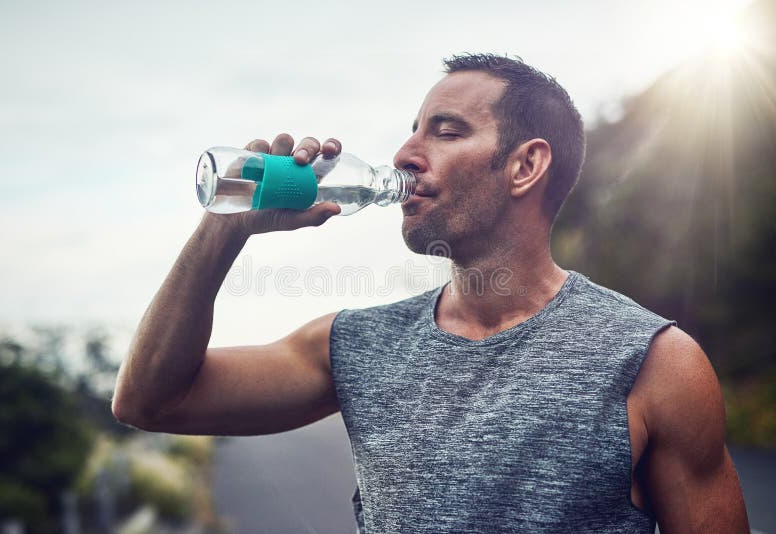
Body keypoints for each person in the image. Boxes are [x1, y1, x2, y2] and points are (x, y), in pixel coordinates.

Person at [112, 53, 750, 533]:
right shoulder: (356, 345)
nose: (404, 153)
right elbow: (151, 400)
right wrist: (224, 229)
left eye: (445, 131)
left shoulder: (654, 362)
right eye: (412, 129)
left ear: (525, 165)